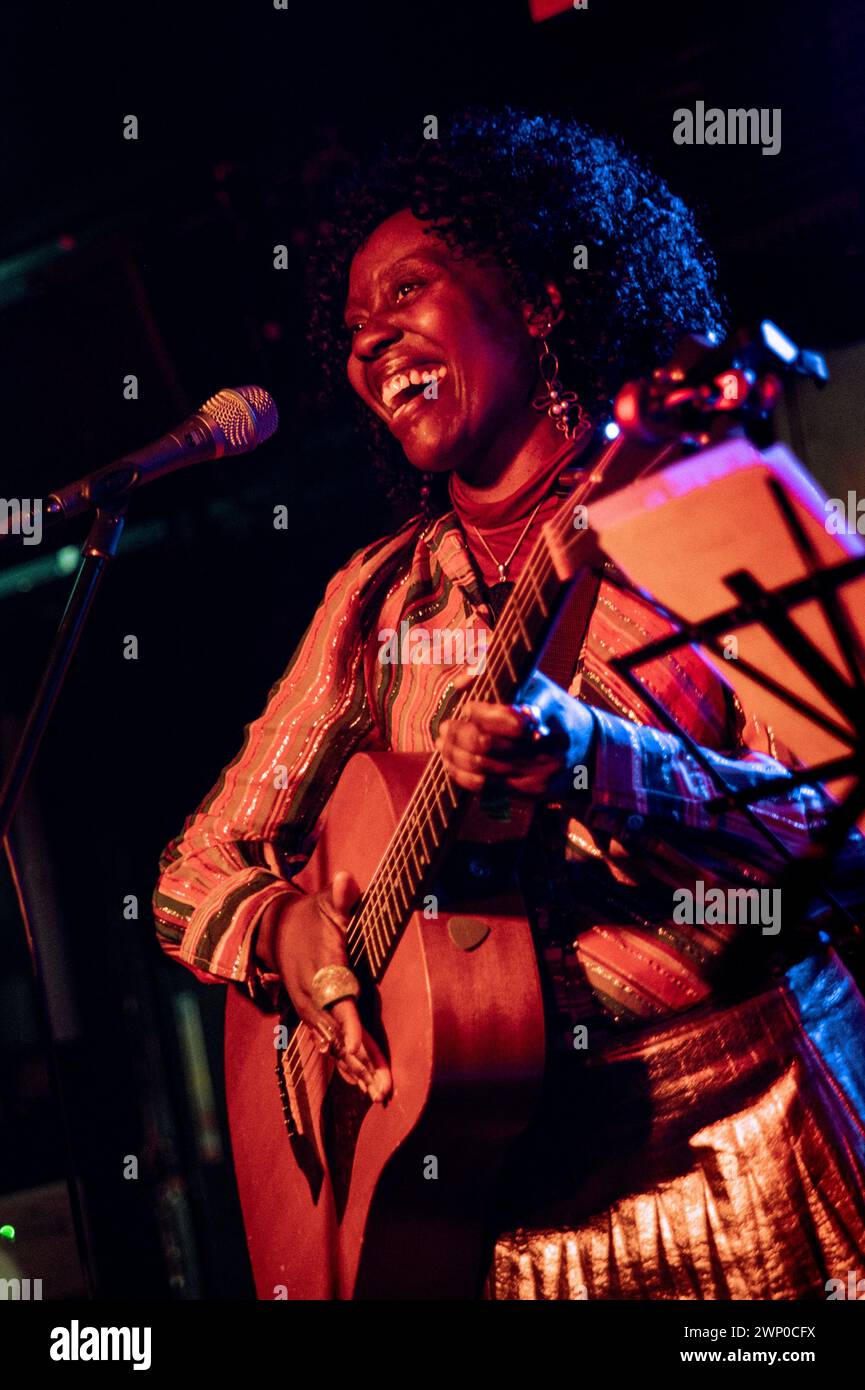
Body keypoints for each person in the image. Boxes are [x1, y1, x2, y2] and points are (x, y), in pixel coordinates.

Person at [152, 110, 865, 1300]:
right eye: (355, 326)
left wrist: (601, 763)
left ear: (539, 301)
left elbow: (845, 837)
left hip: (761, 1153)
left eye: (409, 292)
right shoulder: (375, 596)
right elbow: (190, 871)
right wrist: (289, 934)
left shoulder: (697, 490)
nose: (372, 342)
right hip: (507, 1220)